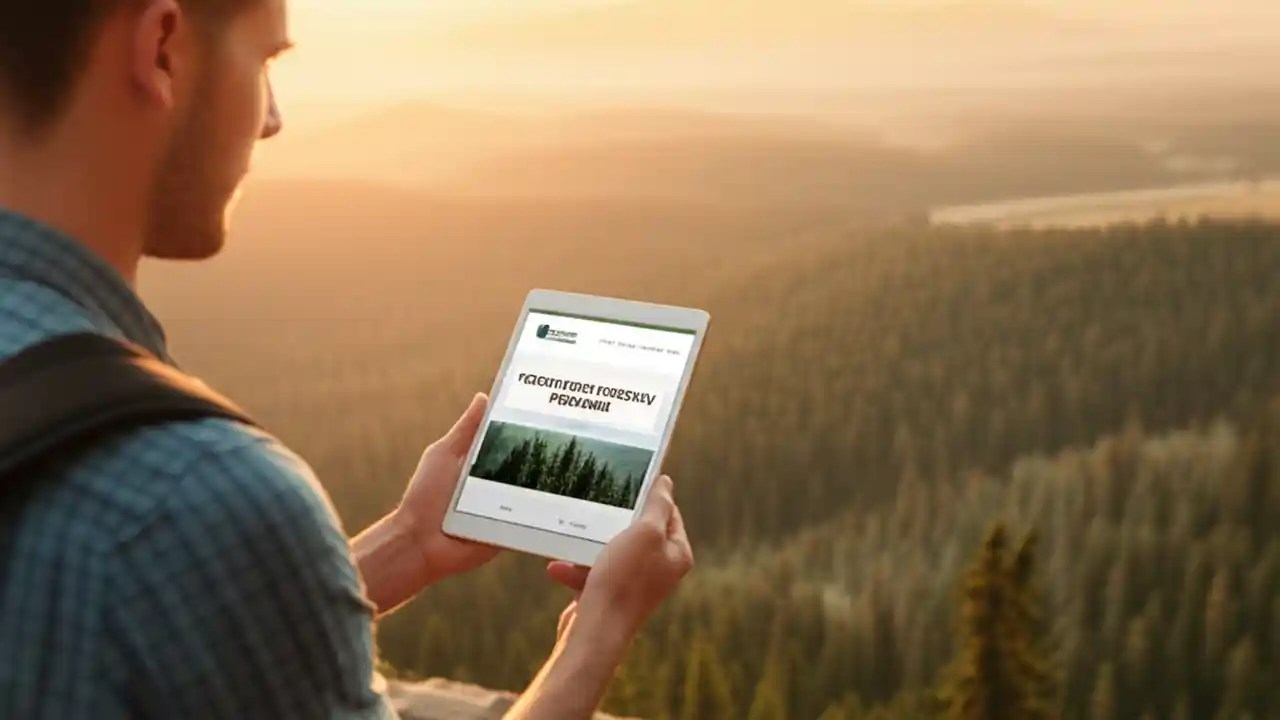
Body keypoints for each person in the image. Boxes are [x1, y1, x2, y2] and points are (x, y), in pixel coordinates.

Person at [0, 0, 694, 718]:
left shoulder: (165, 512)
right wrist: (599, 630)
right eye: (264, 61)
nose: (272, 119)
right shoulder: (191, 492)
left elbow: (179, 622)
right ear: (163, 49)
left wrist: (410, 541)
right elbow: (180, 559)